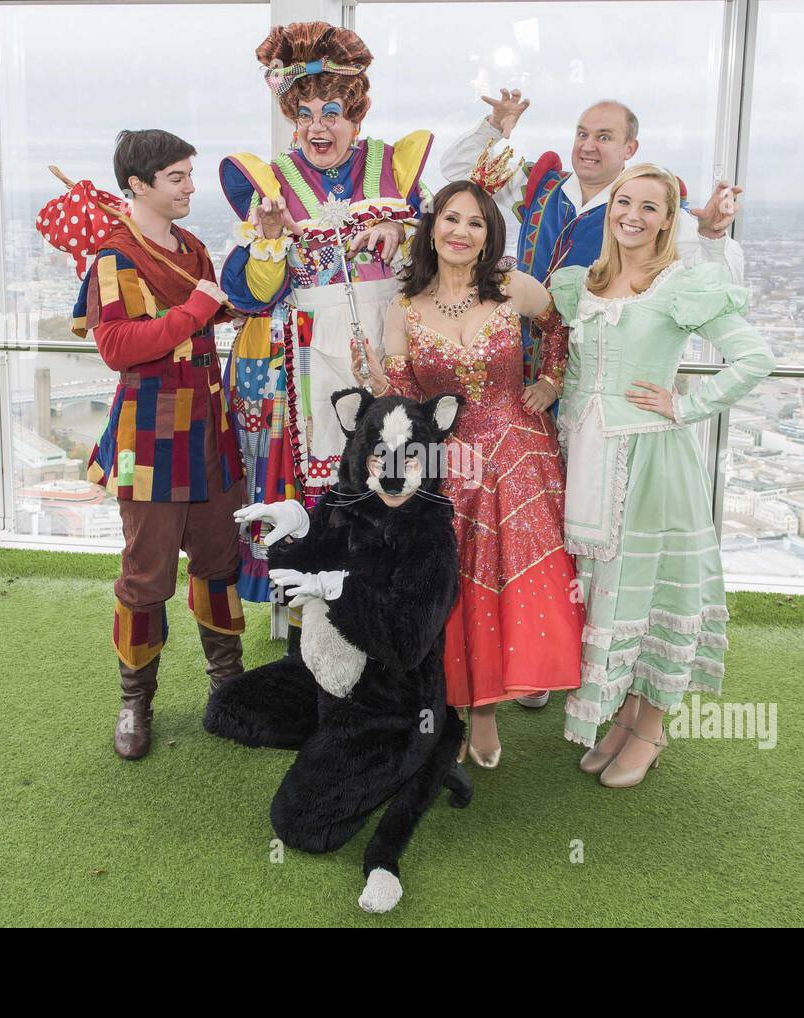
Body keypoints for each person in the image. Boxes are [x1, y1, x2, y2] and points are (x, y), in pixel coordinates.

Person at [441, 91, 744, 708]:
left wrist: (711, 234)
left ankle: (577, 658)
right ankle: (534, 654)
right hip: (517, 381)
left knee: (582, 527)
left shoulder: (651, 207)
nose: (588, 144)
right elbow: (459, 180)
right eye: (582, 131)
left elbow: (718, 285)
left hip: (585, 388)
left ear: (631, 149)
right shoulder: (543, 189)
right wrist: (495, 126)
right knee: (532, 522)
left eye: (605, 136)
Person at [548, 164, 774, 787]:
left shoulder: (680, 285)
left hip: (651, 462)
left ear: (669, 218)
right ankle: (624, 717)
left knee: (648, 587)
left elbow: (755, 357)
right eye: (625, 202)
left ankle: (651, 727)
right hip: (590, 460)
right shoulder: (583, 283)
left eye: (651, 207)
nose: (633, 216)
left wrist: (685, 405)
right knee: (609, 590)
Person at [219, 20, 434, 652]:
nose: (320, 126)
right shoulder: (270, 183)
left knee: (389, 465)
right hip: (306, 352)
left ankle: (387, 602)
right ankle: (309, 613)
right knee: (315, 476)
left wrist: (404, 234)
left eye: (333, 111)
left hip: (387, 339)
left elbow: (440, 251)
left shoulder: (396, 166)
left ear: (356, 114)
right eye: (306, 112)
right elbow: (249, 294)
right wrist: (268, 239)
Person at [358, 181, 584, 768]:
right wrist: (381, 386)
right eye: (451, 219)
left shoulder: (512, 288)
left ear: (490, 236)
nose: (461, 231)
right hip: (450, 467)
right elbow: (408, 401)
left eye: (476, 222)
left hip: (519, 458)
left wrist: (550, 382)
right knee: (456, 592)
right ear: (431, 229)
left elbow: (559, 330)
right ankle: (459, 711)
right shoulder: (403, 309)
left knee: (517, 587)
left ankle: (490, 707)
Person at [71, 129, 246, 760]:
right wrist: (200, 308)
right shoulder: (114, 259)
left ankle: (227, 685)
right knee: (145, 580)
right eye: (177, 177)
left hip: (210, 426)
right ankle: (135, 699)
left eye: (189, 176)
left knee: (220, 563)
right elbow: (118, 347)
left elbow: (216, 310)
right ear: (138, 185)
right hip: (149, 436)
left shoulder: (193, 247)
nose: (190, 188)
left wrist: (249, 268)